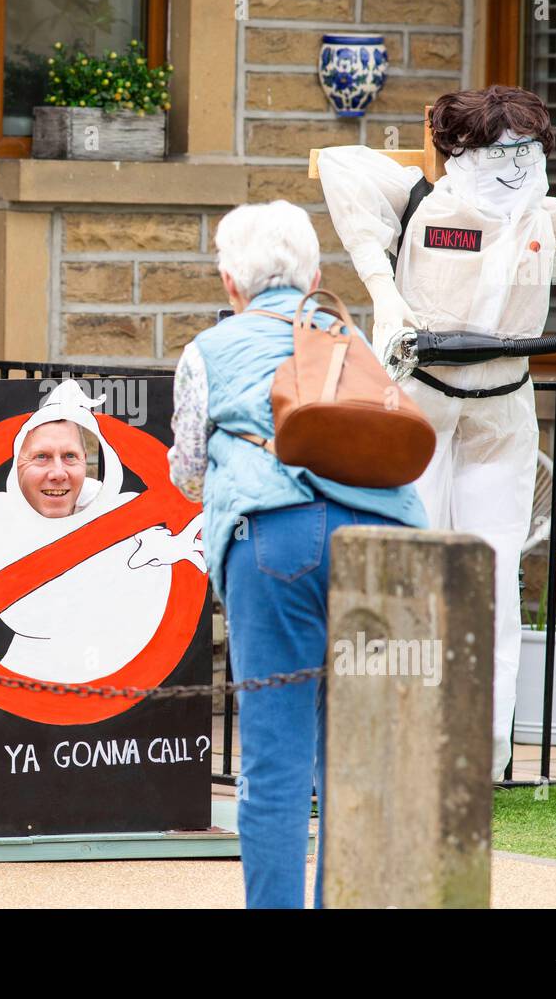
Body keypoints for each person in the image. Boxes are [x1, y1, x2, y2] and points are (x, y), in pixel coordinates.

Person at [316, 86, 556, 779]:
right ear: (460, 151)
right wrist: (384, 293)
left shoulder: (544, 221)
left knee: (493, 581)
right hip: (421, 403)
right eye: (498, 148)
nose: (513, 164)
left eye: (526, 150)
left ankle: (477, 751)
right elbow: (338, 165)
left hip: (502, 412)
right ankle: (388, 742)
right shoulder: (421, 203)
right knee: (405, 567)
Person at [168, 199, 429, 909]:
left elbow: (188, 469)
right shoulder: (358, 343)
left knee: (274, 761)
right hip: (389, 546)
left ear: (230, 284)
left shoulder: (209, 351)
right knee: (361, 757)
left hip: (276, 537)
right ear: (314, 273)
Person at [0, 379, 203, 682]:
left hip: (126, 681)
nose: (58, 473)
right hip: (27, 678)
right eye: (41, 457)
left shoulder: (127, 511)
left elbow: (157, 554)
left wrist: (165, 554)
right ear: (17, 464)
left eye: (70, 457)